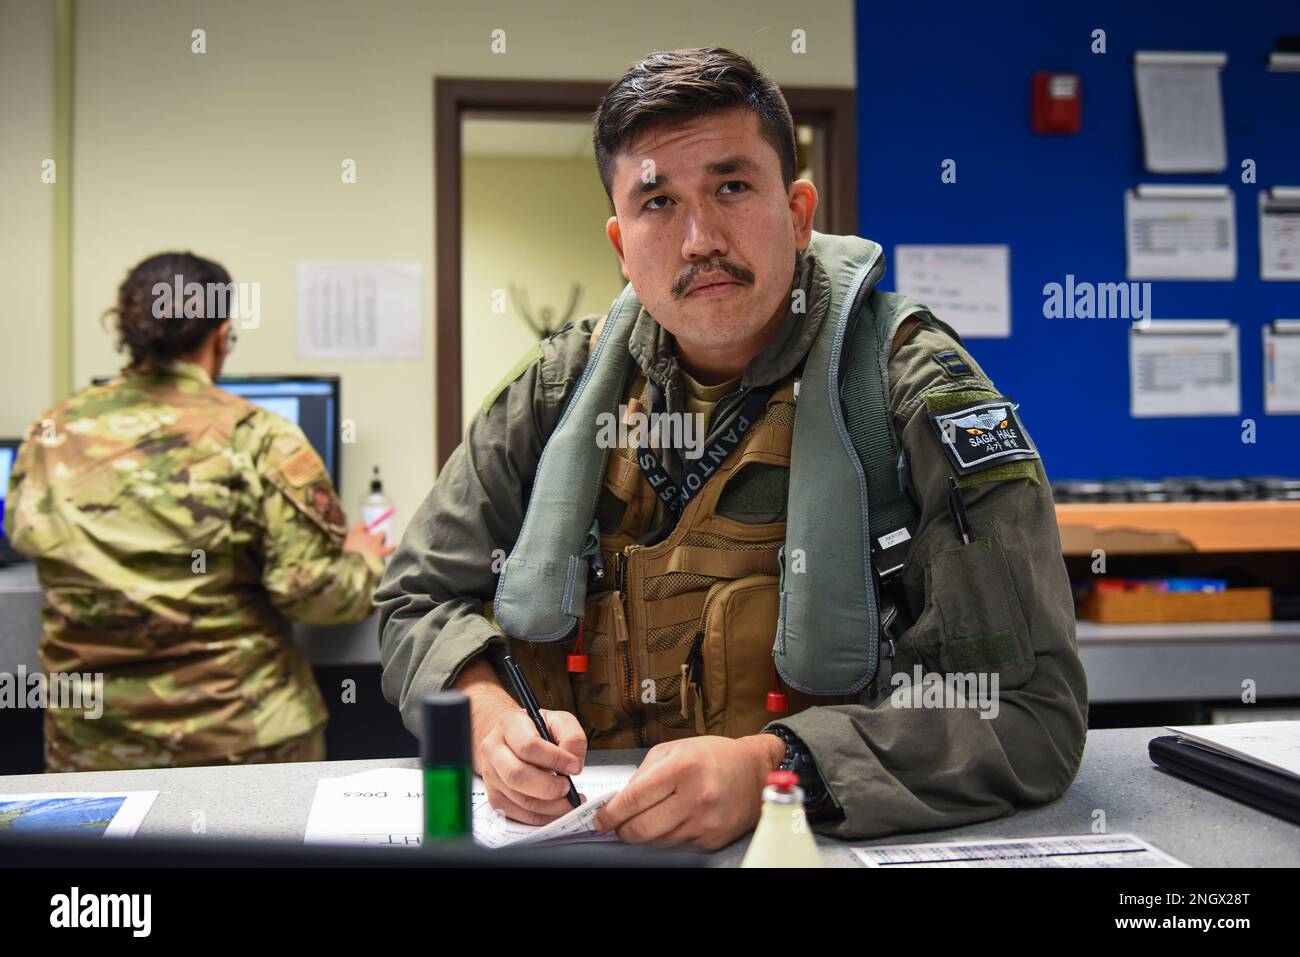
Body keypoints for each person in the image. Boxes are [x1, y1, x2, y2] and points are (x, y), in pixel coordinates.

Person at [376, 48, 1088, 850]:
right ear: (620, 241)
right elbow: (415, 600)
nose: (698, 239)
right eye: (657, 202)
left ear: (798, 209)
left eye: (731, 187)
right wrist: (486, 715)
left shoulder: (909, 389)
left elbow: (1031, 709)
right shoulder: (555, 392)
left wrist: (778, 773)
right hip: (582, 841)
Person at [4, 252, 393, 771]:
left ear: (127, 329)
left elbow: (28, 540)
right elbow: (317, 599)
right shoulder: (259, 434)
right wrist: (364, 559)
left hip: (93, 744)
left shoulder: (50, 432)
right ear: (222, 334)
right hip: (240, 744)